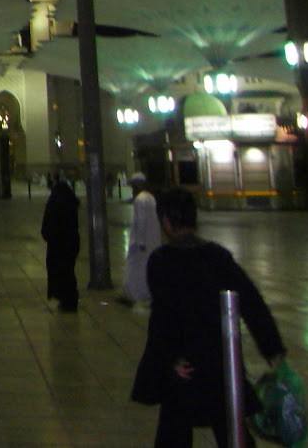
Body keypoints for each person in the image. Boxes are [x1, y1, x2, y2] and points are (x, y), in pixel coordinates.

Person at [132, 188, 285, 447]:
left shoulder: (162, 261)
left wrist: (169, 359)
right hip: (219, 361)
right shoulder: (218, 257)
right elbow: (250, 300)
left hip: (184, 366)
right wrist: (271, 347)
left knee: (174, 431)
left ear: (167, 221)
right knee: (230, 427)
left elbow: (163, 319)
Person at [41, 176, 80, 312]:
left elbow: (48, 225)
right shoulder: (71, 203)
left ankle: (65, 299)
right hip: (71, 243)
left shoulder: (55, 202)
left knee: (60, 272)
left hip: (58, 245)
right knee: (68, 271)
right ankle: (69, 299)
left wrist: (48, 235)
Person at [120, 172, 159, 305]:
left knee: (135, 268)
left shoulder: (140, 200)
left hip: (140, 242)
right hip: (152, 240)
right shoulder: (150, 198)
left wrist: (141, 242)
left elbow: (141, 221)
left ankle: (134, 294)